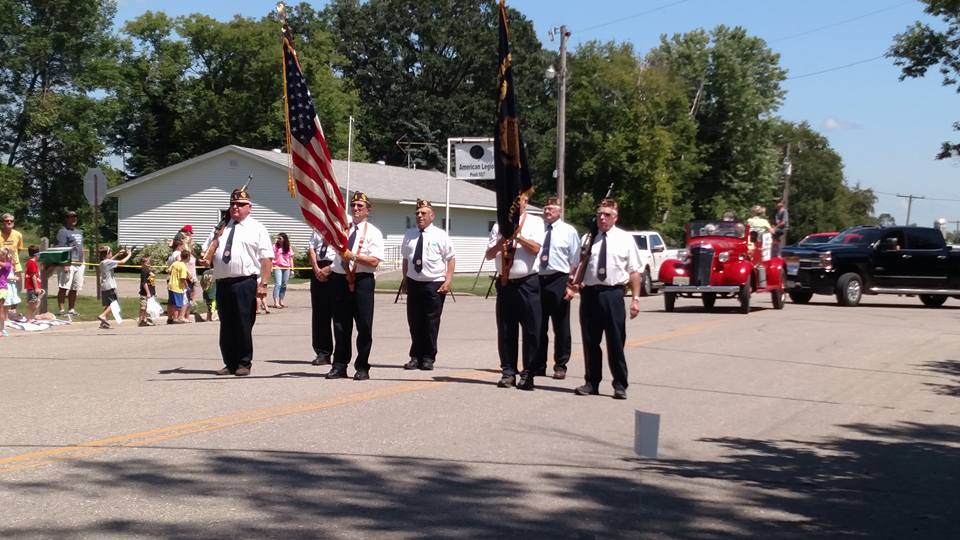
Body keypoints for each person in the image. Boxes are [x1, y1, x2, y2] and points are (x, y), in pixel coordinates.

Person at [566, 198, 641, 400]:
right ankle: (591, 382)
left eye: (607, 214)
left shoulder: (625, 239)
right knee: (590, 341)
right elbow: (577, 265)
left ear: (615, 217)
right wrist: (573, 283)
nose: (602, 217)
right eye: (599, 214)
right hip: (590, 294)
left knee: (615, 341)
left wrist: (635, 299)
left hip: (613, 294)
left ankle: (620, 384)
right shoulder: (588, 238)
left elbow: (634, 272)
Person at [201, 186, 273, 376]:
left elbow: (267, 259)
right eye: (233, 204)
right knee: (226, 325)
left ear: (250, 207)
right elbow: (207, 251)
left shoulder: (257, 228)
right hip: (223, 282)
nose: (235, 207)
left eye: (240, 204)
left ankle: (243, 363)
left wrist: (263, 284)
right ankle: (229, 362)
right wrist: (206, 255)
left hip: (245, 282)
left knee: (243, 323)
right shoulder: (221, 228)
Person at [484, 193, 544, 390]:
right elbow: (489, 254)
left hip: (527, 283)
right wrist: (502, 239)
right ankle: (508, 371)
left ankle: (528, 373)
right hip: (505, 283)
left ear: (526, 202)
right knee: (506, 329)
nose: (517, 204)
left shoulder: (535, 222)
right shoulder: (499, 225)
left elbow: (535, 249)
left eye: (520, 200)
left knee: (531, 330)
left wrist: (518, 236)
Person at [327, 191, 384, 381]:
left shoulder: (374, 232)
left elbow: (374, 261)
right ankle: (339, 365)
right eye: (353, 205)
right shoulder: (343, 231)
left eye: (360, 206)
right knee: (340, 325)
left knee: (364, 326)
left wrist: (353, 257)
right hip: (340, 279)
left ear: (368, 210)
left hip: (362, 281)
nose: (356, 209)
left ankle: (362, 366)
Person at [401, 199, 456, 371]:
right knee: (414, 321)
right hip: (414, 282)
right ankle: (415, 356)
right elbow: (406, 259)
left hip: (434, 283)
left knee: (431, 322)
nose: (419, 216)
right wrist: (405, 279)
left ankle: (428, 357)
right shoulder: (409, 234)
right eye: (417, 213)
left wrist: (448, 280)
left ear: (432, 216)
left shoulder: (440, 235)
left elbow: (450, 258)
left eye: (423, 213)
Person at [535, 196, 581, 380]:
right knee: (538, 325)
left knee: (561, 325)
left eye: (551, 208)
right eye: (545, 208)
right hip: (538, 278)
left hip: (559, 278)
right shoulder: (537, 229)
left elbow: (576, 260)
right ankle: (538, 364)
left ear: (560, 211)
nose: (547, 211)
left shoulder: (569, 231)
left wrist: (571, 285)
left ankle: (560, 365)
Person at [308, 230, 336, 366]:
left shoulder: (344, 225)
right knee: (320, 313)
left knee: (339, 314)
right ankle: (323, 353)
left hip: (336, 269)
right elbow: (312, 249)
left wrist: (330, 268)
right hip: (318, 268)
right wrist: (316, 268)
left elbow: (345, 251)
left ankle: (341, 355)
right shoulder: (318, 227)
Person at [55, 210, 85, 316]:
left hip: (79, 263)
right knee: (64, 287)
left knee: (74, 288)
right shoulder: (63, 232)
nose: (74, 218)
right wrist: (65, 263)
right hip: (68, 263)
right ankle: (61, 310)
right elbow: (61, 248)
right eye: (71, 216)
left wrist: (83, 260)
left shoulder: (79, 232)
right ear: (67, 218)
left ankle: (71, 309)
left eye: (75, 216)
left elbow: (80, 247)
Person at [96, 245, 132, 329]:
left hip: (104, 286)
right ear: (107, 253)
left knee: (107, 305)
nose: (111, 253)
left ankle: (103, 322)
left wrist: (117, 254)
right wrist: (129, 254)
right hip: (110, 286)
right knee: (114, 304)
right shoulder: (108, 262)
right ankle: (103, 315)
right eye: (110, 252)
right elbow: (122, 261)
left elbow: (110, 260)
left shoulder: (103, 262)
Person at [1, 213, 24, 319]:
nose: (9, 222)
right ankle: (3, 313)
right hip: (1, 267)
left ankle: (12, 312)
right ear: (3, 222)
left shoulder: (18, 235)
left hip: (15, 266)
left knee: (16, 289)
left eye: (11, 221)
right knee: (2, 289)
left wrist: (12, 262)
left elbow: (19, 249)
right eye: (7, 221)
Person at [166, 250, 190, 324]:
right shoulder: (183, 266)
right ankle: (176, 318)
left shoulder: (175, 263)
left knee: (171, 303)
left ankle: (170, 318)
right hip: (178, 287)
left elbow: (168, 271)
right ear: (188, 257)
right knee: (177, 304)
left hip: (170, 285)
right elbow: (182, 278)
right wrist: (187, 286)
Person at [272, 232, 293, 309]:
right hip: (277, 266)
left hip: (286, 267)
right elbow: (271, 257)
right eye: (278, 238)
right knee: (278, 284)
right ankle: (276, 302)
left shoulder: (288, 247)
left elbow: (291, 258)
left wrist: (292, 269)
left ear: (284, 239)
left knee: (284, 285)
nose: (278, 239)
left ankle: (281, 300)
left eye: (280, 238)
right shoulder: (275, 246)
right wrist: (271, 267)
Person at [23, 245, 42, 321]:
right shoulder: (32, 263)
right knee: (33, 303)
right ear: (36, 255)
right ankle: (29, 318)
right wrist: (36, 287)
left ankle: (30, 317)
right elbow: (33, 276)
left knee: (35, 302)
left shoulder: (31, 263)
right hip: (32, 287)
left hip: (33, 287)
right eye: (39, 254)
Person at [138, 256, 157, 327]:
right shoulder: (143, 271)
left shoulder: (149, 270)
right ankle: (141, 320)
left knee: (148, 307)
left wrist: (154, 292)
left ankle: (146, 320)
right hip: (145, 293)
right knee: (143, 307)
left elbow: (152, 282)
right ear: (142, 263)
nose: (149, 263)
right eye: (147, 262)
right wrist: (148, 293)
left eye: (149, 261)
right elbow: (144, 283)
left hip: (151, 292)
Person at [0, 247, 11, 337]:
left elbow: (3, 265)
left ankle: (2, 329)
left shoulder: (8, 264)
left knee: (0, 308)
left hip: (2, 289)